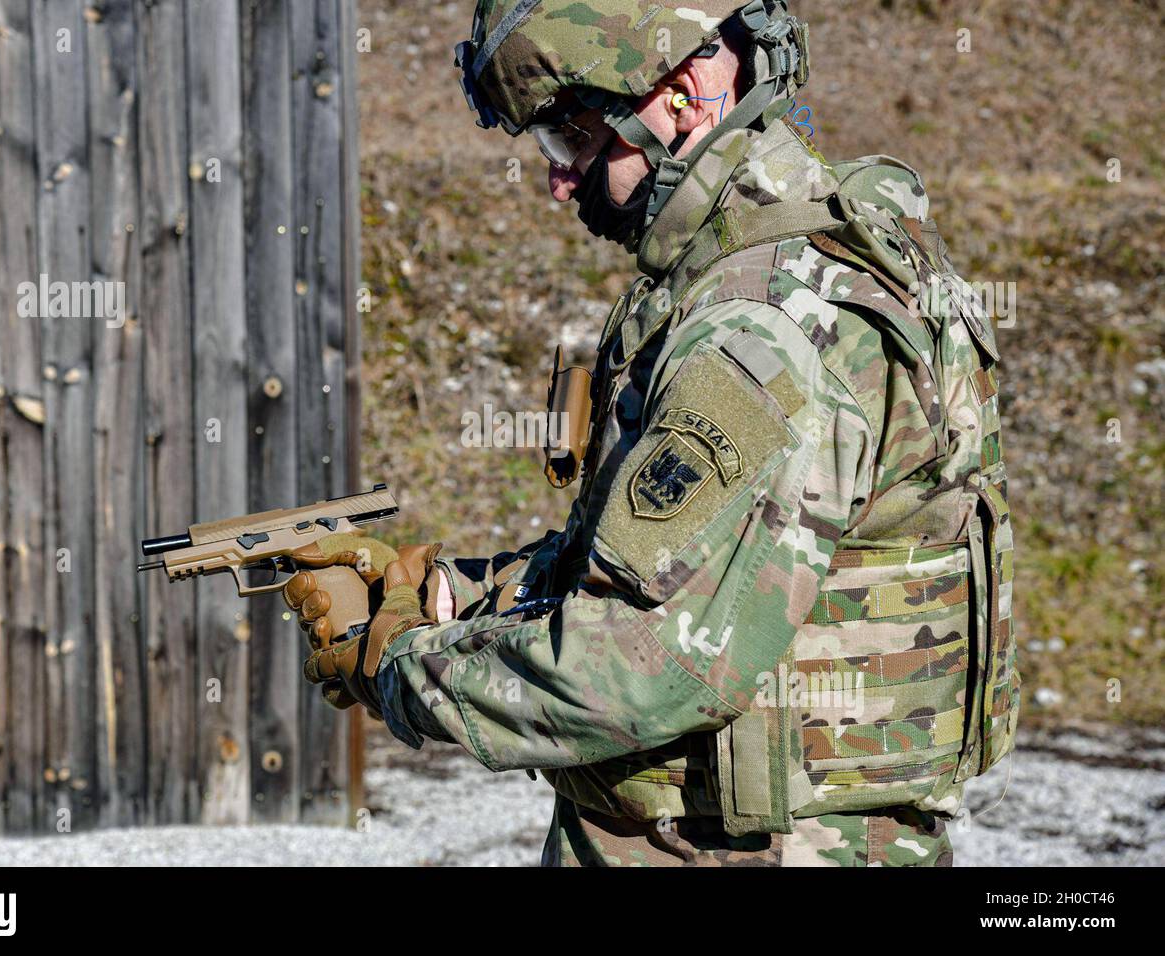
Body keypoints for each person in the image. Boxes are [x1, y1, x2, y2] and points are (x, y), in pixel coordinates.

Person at [289, 0, 1018, 866]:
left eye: (571, 137)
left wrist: (395, 667)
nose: (559, 180)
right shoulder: (821, 255)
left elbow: (637, 667)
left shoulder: (758, 332)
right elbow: (690, 571)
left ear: (681, 93)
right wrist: (455, 592)